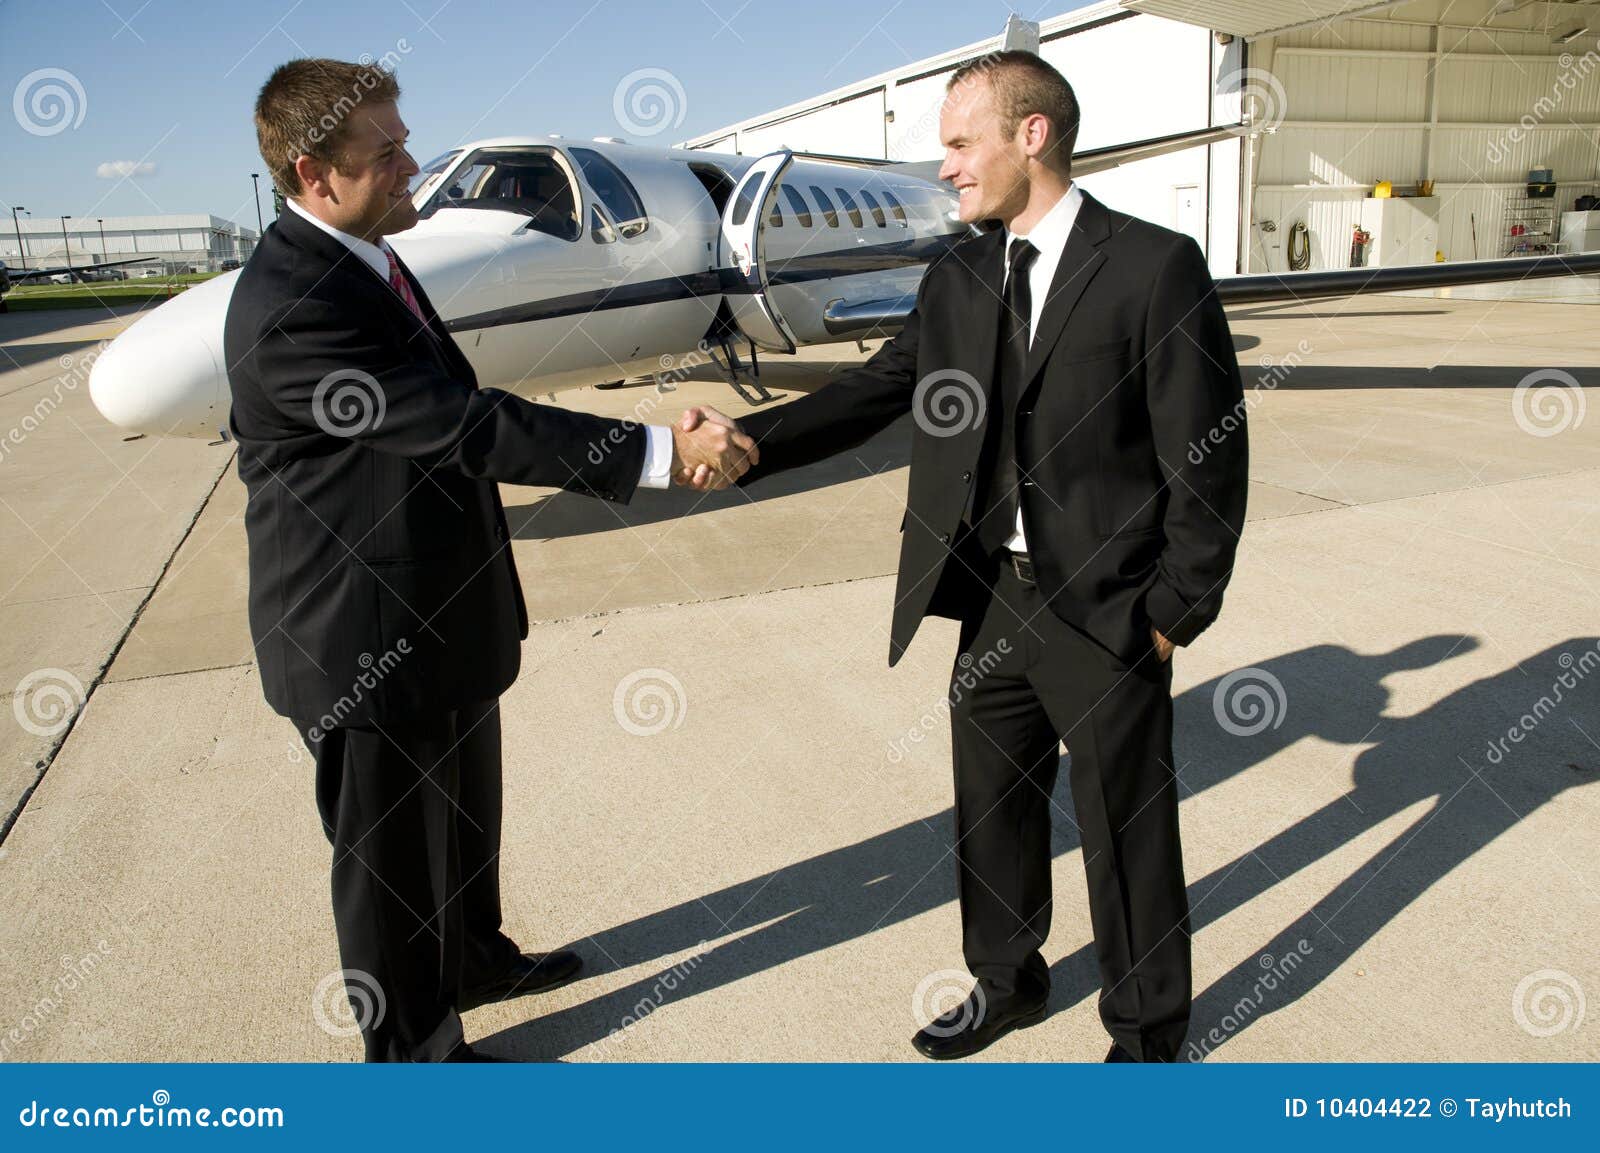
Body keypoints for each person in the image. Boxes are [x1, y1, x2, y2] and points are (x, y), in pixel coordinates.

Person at [682, 51, 1247, 1061]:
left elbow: (1209, 453)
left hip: (1106, 605)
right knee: (989, 809)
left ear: (1030, 135)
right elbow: (876, 390)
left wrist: (1170, 609)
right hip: (990, 595)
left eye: (957, 142)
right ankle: (1006, 981)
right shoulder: (958, 271)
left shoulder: (1152, 266)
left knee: (1125, 829)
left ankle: (1148, 1031)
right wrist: (751, 441)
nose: (943, 166)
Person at [224, 58, 754, 1061]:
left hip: (433, 619)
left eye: (402, 139)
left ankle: (473, 957)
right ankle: (414, 1057)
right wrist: (652, 450)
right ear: (312, 174)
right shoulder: (296, 302)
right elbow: (459, 425)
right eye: (384, 155)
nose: (410, 164)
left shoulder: (369, 261)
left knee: (461, 818)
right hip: (361, 638)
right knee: (390, 864)